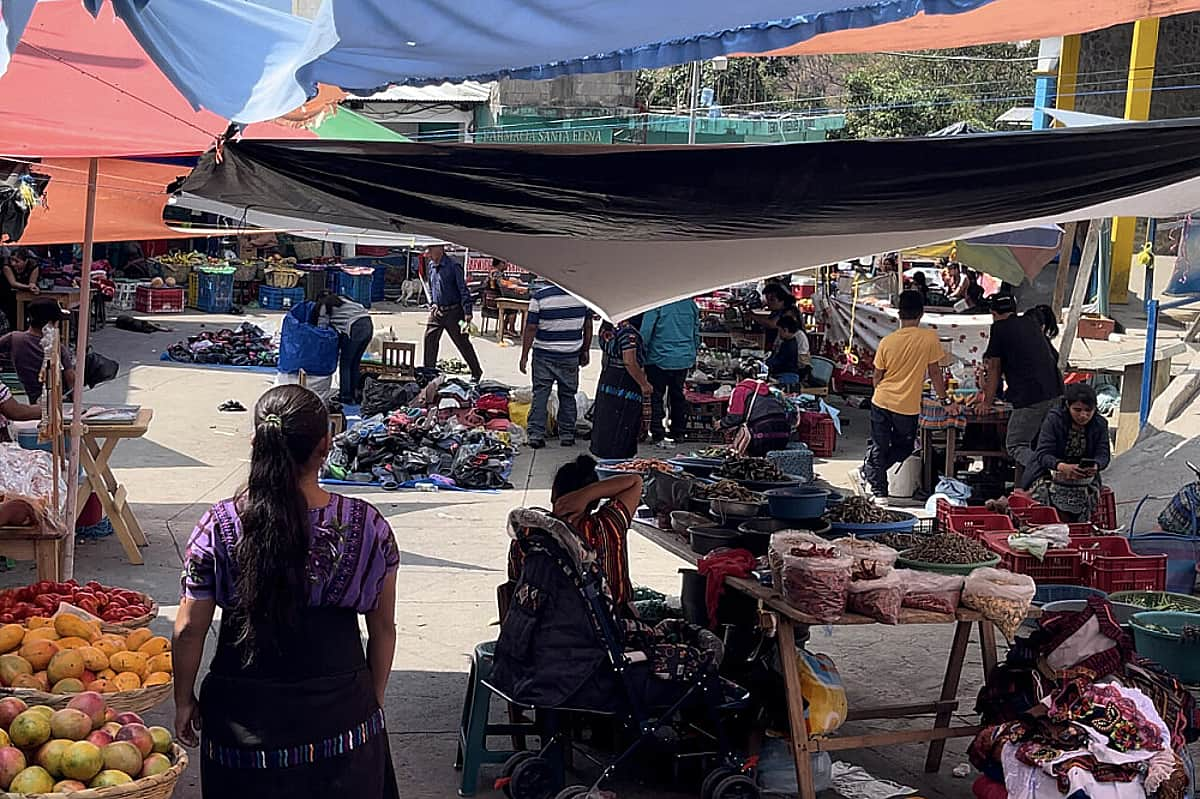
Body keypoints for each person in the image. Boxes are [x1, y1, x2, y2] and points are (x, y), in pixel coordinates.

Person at [174, 385, 400, 799]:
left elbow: (189, 627)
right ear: (325, 444)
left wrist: (183, 698)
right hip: (342, 719)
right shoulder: (368, 526)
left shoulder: (217, 525)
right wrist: (374, 698)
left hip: (243, 721)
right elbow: (383, 629)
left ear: (256, 443)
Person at [507, 455, 643, 616]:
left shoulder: (527, 537)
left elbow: (514, 586)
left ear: (553, 495)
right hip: (608, 631)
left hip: (542, 632)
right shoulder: (607, 526)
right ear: (593, 501)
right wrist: (586, 495)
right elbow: (635, 481)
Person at [856, 290, 947, 503]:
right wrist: (945, 400)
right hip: (907, 406)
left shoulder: (887, 341)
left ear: (899, 314)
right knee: (903, 447)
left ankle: (873, 479)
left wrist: (880, 391)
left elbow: (877, 375)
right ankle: (878, 488)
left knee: (880, 444)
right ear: (921, 314)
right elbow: (935, 373)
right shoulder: (929, 338)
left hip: (882, 399)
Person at [977, 294, 1064, 475]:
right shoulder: (1030, 323)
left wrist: (986, 403)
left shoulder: (999, 328)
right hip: (1057, 392)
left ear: (993, 313)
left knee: (1016, 445)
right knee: (1041, 443)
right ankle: (1040, 480)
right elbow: (1053, 356)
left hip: (1031, 397)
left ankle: (1049, 471)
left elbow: (994, 367)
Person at [1020, 383, 1110, 521]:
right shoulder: (1054, 420)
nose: (1083, 415)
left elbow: (1103, 454)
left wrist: (1095, 466)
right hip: (1047, 473)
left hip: (1084, 478)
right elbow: (1043, 454)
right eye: (1077, 410)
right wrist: (1062, 467)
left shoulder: (1100, 424)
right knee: (1045, 500)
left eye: (1088, 410)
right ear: (1068, 406)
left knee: (1090, 498)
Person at [520, 282, 593, 449]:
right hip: (570, 356)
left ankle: (536, 435)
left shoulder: (539, 297)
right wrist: (586, 350)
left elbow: (531, 327)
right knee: (567, 395)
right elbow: (587, 326)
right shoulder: (582, 297)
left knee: (540, 394)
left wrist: (524, 355)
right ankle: (567, 434)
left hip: (543, 356)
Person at [590, 317, 653, 460]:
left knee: (606, 421)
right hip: (625, 383)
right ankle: (618, 463)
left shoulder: (607, 327)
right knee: (622, 424)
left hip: (609, 378)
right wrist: (644, 384)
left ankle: (605, 458)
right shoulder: (628, 332)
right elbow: (629, 361)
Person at [639, 298, 699, 445]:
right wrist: (693, 352)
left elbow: (645, 332)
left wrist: (640, 353)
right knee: (678, 395)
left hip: (658, 358)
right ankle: (678, 432)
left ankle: (657, 432)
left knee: (656, 396)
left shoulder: (656, 303)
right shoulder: (690, 304)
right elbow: (696, 332)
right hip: (683, 358)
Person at [422, 244, 482, 381]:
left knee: (462, 342)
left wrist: (468, 312)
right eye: (427, 249)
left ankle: (476, 371)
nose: (428, 253)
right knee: (429, 339)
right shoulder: (431, 266)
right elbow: (431, 288)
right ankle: (428, 373)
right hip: (437, 312)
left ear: (441, 249)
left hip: (454, 312)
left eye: (431, 249)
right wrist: (433, 303)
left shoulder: (453, 266)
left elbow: (463, 289)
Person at [0, 298, 75, 403]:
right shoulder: (57, 348)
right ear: (50, 324)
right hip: (58, 397)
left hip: (35, 396)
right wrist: (75, 401)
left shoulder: (14, 338)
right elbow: (70, 377)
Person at [312, 292, 373, 406]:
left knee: (345, 364)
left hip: (355, 327)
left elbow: (321, 329)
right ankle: (355, 393)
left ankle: (345, 396)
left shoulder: (324, 305)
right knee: (355, 363)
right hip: (368, 324)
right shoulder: (344, 299)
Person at [765, 314, 811, 384]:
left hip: (787, 375)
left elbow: (780, 361)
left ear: (785, 330)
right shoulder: (788, 342)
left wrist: (767, 363)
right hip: (785, 373)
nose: (779, 334)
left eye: (780, 331)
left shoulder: (790, 345)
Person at [0, 249, 39, 332]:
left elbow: (32, 283)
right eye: (12, 260)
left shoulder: (33, 265)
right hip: (7, 293)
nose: (13, 264)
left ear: (25, 261)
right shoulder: (7, 266)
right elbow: (13, 283)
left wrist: (32, 287)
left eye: (17, 261)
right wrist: (28, 287)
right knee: (11, 315)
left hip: (25, 295)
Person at [753, 282, 800, 349]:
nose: (768, 303)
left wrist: (753, 316)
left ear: (782, 300)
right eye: (767, 300)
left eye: (772, 300)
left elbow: (772, 324)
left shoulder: (789, 311)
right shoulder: (776, 311)